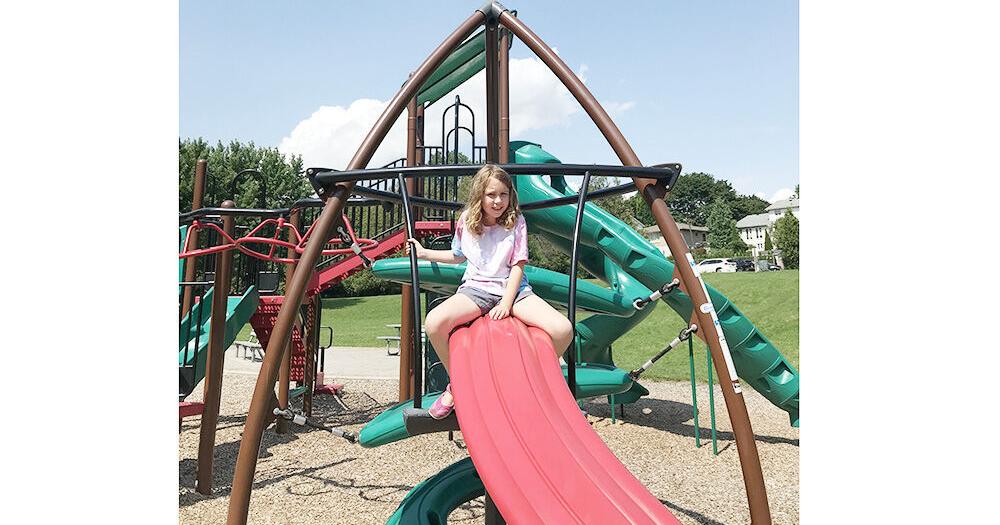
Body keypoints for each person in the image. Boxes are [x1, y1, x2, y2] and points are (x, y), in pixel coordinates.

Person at [406, 164, 574, 419]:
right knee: (434, 323)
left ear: (511, 195)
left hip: (514, 291)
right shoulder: (466, 221)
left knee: (563, 329)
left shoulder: (516, 221)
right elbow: (458, 255)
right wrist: (424, 253)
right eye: (491, 195)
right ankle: (458, 386)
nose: (498, 201)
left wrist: (506, 303)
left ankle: (538, 378)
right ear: (480, 196)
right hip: (476, 289)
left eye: (503, 194)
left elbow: (518, 265)